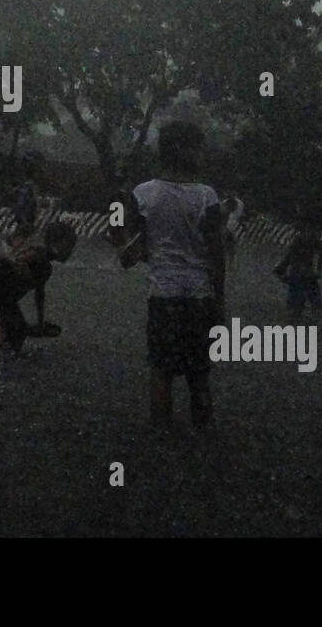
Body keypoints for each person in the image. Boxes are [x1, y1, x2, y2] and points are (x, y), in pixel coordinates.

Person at [119, 122, 227, 429]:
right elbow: (217, 256)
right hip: (199, 297)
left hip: (163, 296)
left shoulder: (143, 194)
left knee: (161, 371)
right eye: (198, 148)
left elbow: (133, 251)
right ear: (181, 150)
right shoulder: (207, 196)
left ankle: (162, 436)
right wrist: (219, 301)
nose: (203, 155)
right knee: (199, 374)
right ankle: (202, 435)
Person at [0, 221, 76, 353]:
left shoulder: (46, 267)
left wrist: (40, 324)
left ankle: (1, 352)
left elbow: (39, 295)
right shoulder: (38, 253)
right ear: (57, 243)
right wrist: (21, 268)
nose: (70, 251)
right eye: (69, 246)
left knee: (18, 333)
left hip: (5, 298)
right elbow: (8, 259)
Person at [274, 211, 322, 322]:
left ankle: (300, 313)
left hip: (303, 270)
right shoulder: (300, 239)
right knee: (301, 294)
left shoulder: (310, 239)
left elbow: (321, 253)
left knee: (307, 294)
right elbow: (291, 256)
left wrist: (318, 270)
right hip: (299, 270)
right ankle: (297, 314)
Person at [222, 195, 245, 268]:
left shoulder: (237, 205)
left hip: (230, 229)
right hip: (231, 229)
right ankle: (231, 264)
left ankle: (230, 264)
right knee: (230, 249)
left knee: (229, 248)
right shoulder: (239, 205)